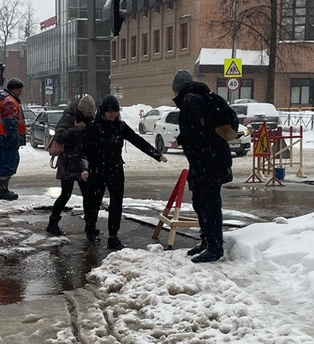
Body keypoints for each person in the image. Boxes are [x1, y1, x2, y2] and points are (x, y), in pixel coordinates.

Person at [83, 95, 168, 250]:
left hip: (115, 169)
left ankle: (113, 237)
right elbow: (84, 150)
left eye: (115, 111)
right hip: (97, 170)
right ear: (103, 111)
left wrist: (156, 154)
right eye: (109, 111)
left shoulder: (120, 126)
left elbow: (137, 140)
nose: (112, 114)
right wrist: (84, 168)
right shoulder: (94, 127)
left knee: (116, 204)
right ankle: (90, 228)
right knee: (94, 202)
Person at [172, 69, 232, 263]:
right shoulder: (201, 97)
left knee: (209, 204)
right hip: (209, 160)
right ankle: (207, 240)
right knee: (200, 201)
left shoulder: (191, 101)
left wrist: (193, 148)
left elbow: (197, 131)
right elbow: (199, 127)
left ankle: (214, 246)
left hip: (208, 162)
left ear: (178, 88)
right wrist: (182, 139)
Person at [45, 94, 95, 236]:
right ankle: (52, 223)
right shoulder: (68, 117)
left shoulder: (90, 119)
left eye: (90, 113)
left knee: (88, 195)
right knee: (65, 194)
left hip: (82, 160)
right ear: (81, 110)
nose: (88, 115)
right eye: (86, 112)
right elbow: (59, 136)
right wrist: (76, 129)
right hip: (67, 160)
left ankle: (90, 226)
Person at [0, 77, 26, 200]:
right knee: (9, 162)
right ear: (13, 89)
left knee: (4, 161)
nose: (20, 92)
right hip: (5, 137)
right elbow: (10, 122)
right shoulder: (9, 101)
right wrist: (14, 138)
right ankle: (3, 189)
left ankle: (1, 186)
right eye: (19, 90)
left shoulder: (3, 99)